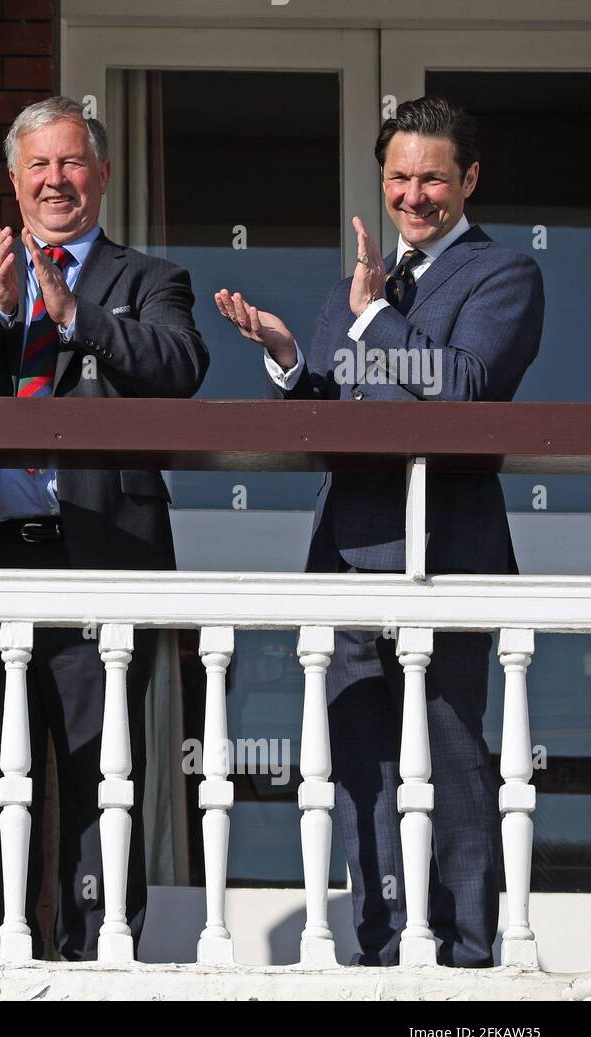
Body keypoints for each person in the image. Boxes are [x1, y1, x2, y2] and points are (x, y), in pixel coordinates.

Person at [214, 95, 544, 967]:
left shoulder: (504, 274)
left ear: (469, 179)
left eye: (433, 177)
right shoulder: (355, 286)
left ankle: (469, 949)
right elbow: (341, 412)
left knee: (454, 765)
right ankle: (382, 945)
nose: (414, 194)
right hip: (349, 555)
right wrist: (291, 361)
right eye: (399, 176)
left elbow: (466, 388)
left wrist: (373, 319)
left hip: (447, 557)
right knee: (362, 768)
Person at [0, 96, 210, 961]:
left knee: (101, 772)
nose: (57, 180)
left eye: (73, 162)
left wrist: (74, 318)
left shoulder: (148, 278)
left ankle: (100, 947)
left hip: (97, 555)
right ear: (13, 181)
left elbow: (179, 367)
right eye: (39, 166)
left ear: (103, 173)